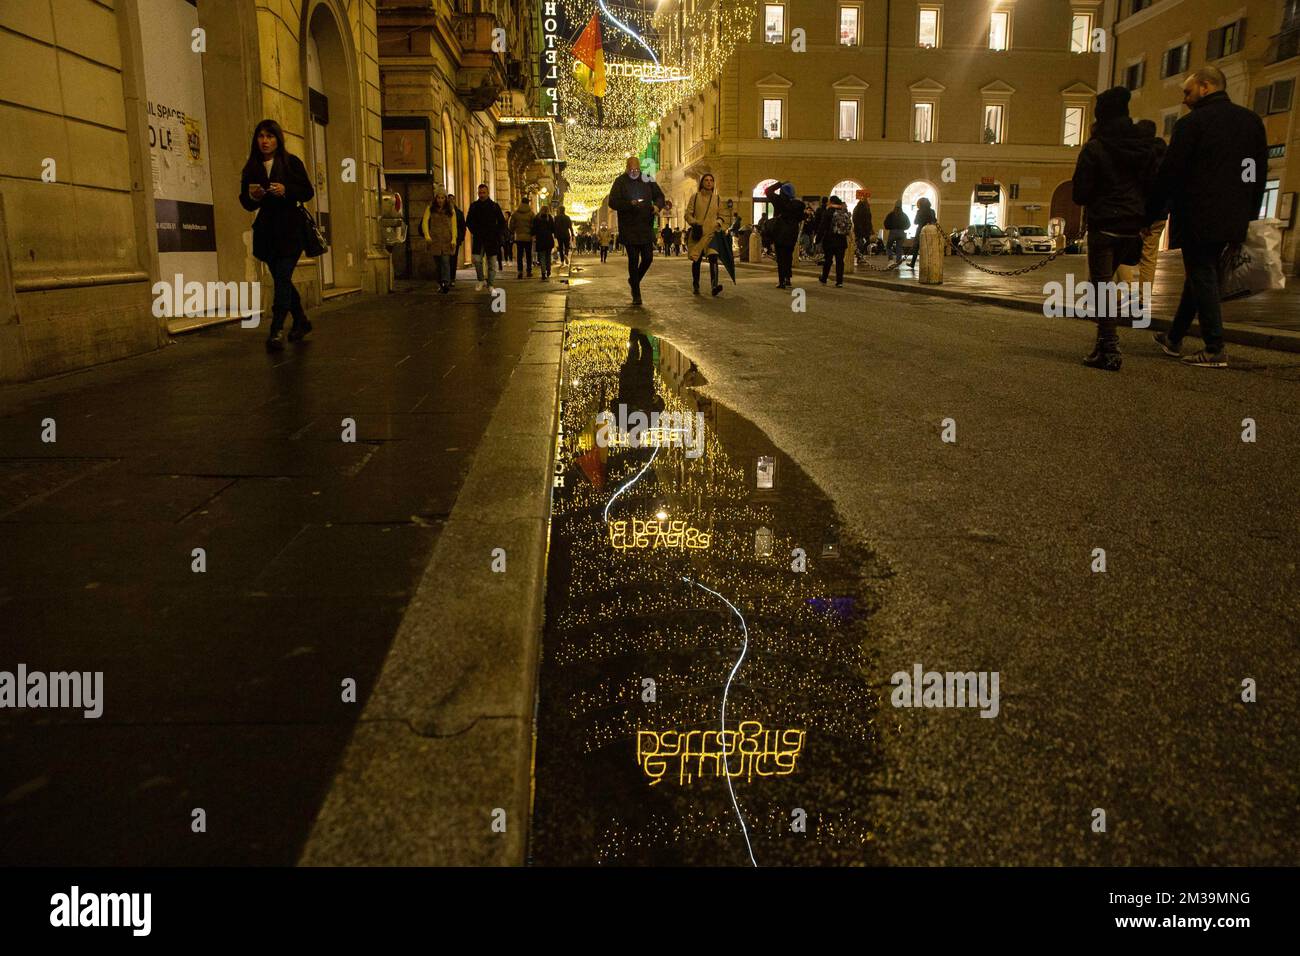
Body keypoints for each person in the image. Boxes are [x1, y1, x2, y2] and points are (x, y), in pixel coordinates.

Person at [1151, 67, 1269, 368]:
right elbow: (1255, 172)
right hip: (1234, 213)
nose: (1185, 99)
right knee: (1200, 274)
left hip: (1198, 212)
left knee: (1202, 273)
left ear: (1205, 87)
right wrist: (1250, 213)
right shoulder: (1251, 122)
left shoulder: (1192, 124)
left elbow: (1171, 172)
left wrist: (1154, 210)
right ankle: (1174, 337)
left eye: (1188, 92)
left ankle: (1214, 346)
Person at [1071, 86, 1161, 371]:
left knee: (1101, 288)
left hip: (1105, 226)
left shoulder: (1096, 147)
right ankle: (1102, 343)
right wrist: (1145, 218)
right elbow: (1154, 184)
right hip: (1132, 225)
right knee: (1110, 284)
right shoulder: (1143, 146)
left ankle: (1109, 347)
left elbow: (1080, 193)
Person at [239, 118, 315, 351]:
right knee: (282, 280)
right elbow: (246, 202)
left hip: (291, 230)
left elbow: (308, 191)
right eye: (261, 136)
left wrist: (287, 190)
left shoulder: (291, 163)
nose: (265, 141)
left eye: (270, 136)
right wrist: (255, 197)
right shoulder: (252, 167)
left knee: (282, 278)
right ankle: (301, 320)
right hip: (267, 233)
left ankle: (276, 329)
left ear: (277, 139)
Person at [607, 156, 670, 306]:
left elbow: (660, 196)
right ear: (627, 168)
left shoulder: (647, 179)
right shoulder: (620, 181)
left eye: (637, 169)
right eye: (631, 170)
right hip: (629, 227)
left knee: (648, 258)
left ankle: (634, 280)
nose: (634, 172)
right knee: (633, 260)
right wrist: (629, 204)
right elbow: (613, 202)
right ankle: (636, 293)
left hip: (645, 226)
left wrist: (657, 206)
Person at [685, 172, 724, 297]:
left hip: (711, 233)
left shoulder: (717, 198)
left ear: (713, 183)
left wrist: (718, 222)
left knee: (713, 258)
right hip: (699, 233)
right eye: (706, 180)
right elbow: (688, 214)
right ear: (702, 182)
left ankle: (714, 286)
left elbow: (722, 215)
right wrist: (694, 222)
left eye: (711, 180)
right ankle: (696, 285)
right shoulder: (695, 197)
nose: (708, 182)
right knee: (697, 260)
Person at [465, 183, 506, 291]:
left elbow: (502, 222)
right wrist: (474, 231)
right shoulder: (474, 206)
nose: (481, 195)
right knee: (477, 260)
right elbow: (468, 221)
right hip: (478, 238)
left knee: (492, 263)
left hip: (491, 239)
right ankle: (481, 280)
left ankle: (490, 284)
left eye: (483, 193)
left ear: (487, 193)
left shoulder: (494, 206)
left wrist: (497, 233)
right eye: (480, 193)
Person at [764, 181, 805, 289]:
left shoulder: (778, 201)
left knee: (781, 258)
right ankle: (788, 278)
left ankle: (781, 281)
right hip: (792, 234)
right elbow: (801, 218)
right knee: (788, 256)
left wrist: (779, 184)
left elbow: (767, 191)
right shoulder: (798, 205)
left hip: (780, 232)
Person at [422, 192, 456, 293]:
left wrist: (454, 238)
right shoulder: (430, 209)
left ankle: (446, 283)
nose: (440, 200)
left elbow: (454, 225)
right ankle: (440, 283)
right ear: (435, 198)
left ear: (445, 199)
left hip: (446, 240)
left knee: (445, 262)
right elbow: (425, 222)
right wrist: (427, 236)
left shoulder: (450, 210)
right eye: (438, 198)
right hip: (435, 240)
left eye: (442, 198)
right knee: (438, 264)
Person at [818, 195, 852, 287]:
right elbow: (849, 226)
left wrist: (818, 239)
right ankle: (839, 281)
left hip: (829, 240)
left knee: (828, 260)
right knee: (840, 261)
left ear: (832, 202)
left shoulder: (828, 211)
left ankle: (824, 278)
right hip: (841, 240)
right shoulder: (844, 212)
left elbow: (823, 226)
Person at [909, 196, 938, 268]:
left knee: (916, 247)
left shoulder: (919, 211)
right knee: (929, 248)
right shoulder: (932, 211)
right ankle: (929, 264)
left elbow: (915, 222)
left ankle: (912, 263)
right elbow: (935, 220)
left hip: (920, 230)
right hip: (930, 231)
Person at [510, 198, 535, 278]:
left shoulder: (516, 213)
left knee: (519, 255)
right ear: (528, 203)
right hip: (528, 237)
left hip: (519, 237)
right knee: (528, 255)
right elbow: (534, 225)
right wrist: (532, 233)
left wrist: (513, 231)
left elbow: (511, 224)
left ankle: (520, 271)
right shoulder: (531, 213)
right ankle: (528, 271)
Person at [446, 194, 466, 286]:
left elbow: (463, 226)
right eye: (449, 199)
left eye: (452, 199)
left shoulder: (459, 213)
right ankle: (446, 278)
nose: (451, 201)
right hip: (445, 239)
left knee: (453, 259)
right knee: (445, 260)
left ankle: (452, 278)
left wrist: (461, 238)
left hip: (455, 239)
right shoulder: (444, 212)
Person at [532, 208, 556, 280]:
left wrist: (534, 236)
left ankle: (543, 273)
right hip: (548, 239)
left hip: (540, 239)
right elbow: (553, 229)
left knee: (542, 256)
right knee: (548, 256)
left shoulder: (537, 218)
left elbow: (534, 229)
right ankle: (548, 270)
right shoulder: (550, 218)